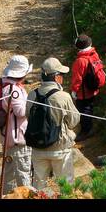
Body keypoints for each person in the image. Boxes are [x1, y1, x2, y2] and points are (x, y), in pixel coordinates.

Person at [27, 57, 82, 190]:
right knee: (66, 186)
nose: (62, 77)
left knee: (38, 186)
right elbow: (74, 120)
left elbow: (27, 115)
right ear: (56, 77)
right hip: (60, 148)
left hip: (37, 147)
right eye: (61, 75)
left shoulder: (32, 95)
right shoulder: (63, 96)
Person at [0, 54, 32, 192]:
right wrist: (33, 106)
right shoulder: (14, 91)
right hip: (18, 140)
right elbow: (20, 112)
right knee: (23, 176)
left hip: (10, 139)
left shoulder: (7, 88)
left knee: (9, 177)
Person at [70, 34, 105, 141]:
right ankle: (89, 126)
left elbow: (77, 79)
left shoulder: (80, 61)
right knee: (89, 107)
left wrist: (74, 91)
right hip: (94, 88)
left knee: (83, 111)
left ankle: (86, 131)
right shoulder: (94, 54)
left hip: (83, 92)